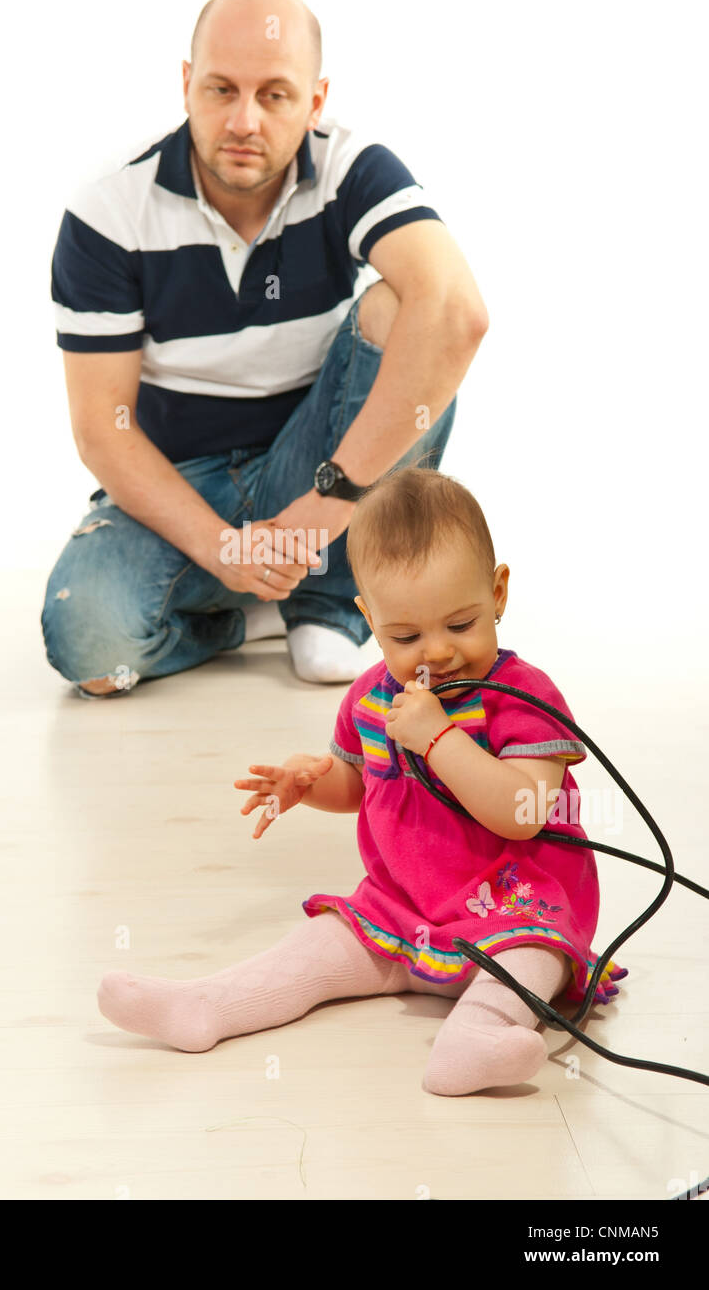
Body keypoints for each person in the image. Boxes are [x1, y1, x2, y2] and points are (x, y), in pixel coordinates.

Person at [96, 467, 627, 1096]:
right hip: (402, 909)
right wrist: (310, 784)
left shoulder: (523, 696)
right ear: (369, 617)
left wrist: (438, 739)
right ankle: (209, 1004)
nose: (437, 653)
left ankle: (474, 1039)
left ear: (498, 592)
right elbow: (360, 784)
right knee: (317, 947)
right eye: (405, 635)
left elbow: (523, 811)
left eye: (461, 625)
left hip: (514, 908)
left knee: (533, 960)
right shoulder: (372, 697)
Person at [42, 0, 489, 696]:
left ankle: (326, 599)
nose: (243, 120)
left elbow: (457, 312)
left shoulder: (351, 169)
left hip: (313, 463)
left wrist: (327, 505)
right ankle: (249, 610)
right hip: (182, 479)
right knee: (92, 647)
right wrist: (222, 547)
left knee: (411, 309)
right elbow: (103, 427)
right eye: (221, 89)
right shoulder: (109, 212)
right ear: (187, 86)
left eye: (275, 95)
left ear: (315, 102)